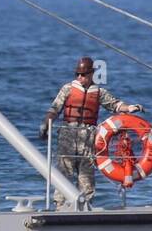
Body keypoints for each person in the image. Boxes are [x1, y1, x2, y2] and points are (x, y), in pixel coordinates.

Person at [39, 56, 142, 208]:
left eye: (83, 74)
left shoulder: (99, 92)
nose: (80, 77)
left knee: (86, 173)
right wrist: (46, 125)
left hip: (88, 136)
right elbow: (55, 108)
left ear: (91, 74)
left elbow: (115, 104)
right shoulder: (67, 89)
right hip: (68, 134)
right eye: (77, 74)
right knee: (64, 170)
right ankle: (60, 205)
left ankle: (85, 204)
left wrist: (130, 108)